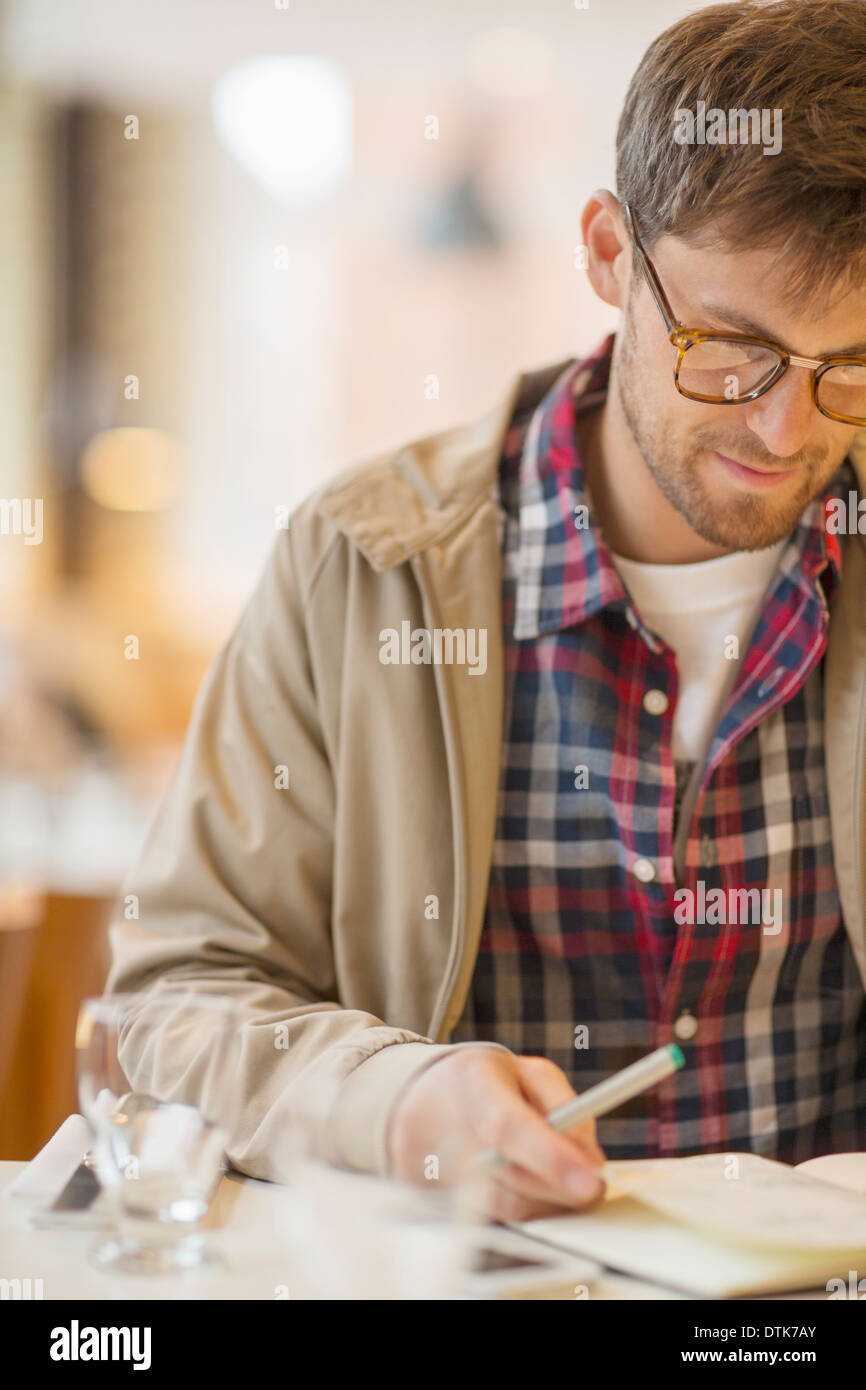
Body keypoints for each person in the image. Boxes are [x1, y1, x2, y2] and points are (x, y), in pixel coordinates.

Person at [107, 0, 866, 1223]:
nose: (785, 431)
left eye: (849, 366)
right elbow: (177, 995)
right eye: (730, 349)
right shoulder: (358, 565)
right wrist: (391, 1100)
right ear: (608, 252)